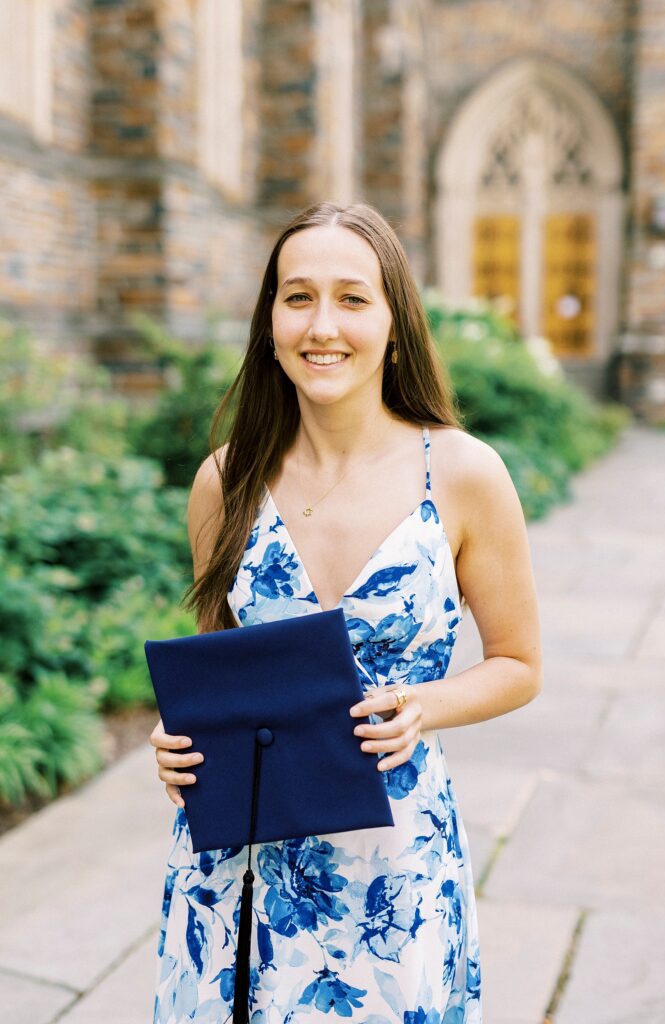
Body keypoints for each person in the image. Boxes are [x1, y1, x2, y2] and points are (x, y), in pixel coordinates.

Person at [149, 200, 542, 1022]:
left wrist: (420, 705)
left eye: (352, 298)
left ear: (395, 322)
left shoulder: (463, 474)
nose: (321, 324)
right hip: (239, 862)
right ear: (268, 322)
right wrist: (178, 742)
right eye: (297, 297)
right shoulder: (225, 481)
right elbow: (217, 674)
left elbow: (518, 665)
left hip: (393, 862)